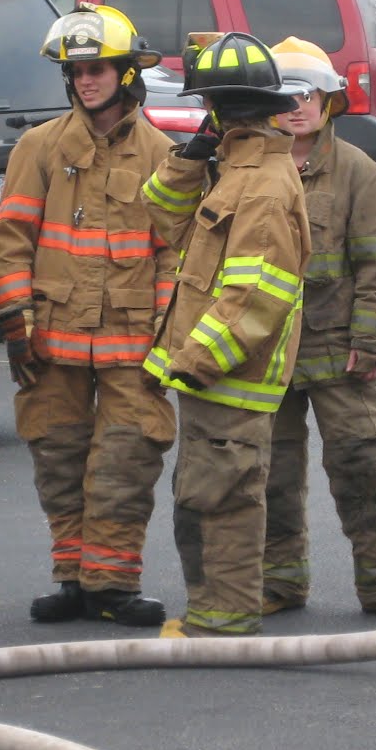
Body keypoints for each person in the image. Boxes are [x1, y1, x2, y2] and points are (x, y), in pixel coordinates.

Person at [0, 5, 177, 627]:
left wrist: (167, 339)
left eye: (97, 68)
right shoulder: (39, 148)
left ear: (125, 73)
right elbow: (11, 237)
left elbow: (177, 255)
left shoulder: (162, 156)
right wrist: (17, 321)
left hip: (132, 346)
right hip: (54, 341)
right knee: (59, 461)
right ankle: (71, 578)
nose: (85, 80)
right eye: (76, 70)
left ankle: (113, 585)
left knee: (125, 465)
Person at [260, 37, 376, 619]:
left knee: (368, 463)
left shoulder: (357, 171)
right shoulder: (245, 167)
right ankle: (277, 582)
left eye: (309, 95)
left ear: (329, 101)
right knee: (268, 471)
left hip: (337, 348)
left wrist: (370, 341)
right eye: (286, 95)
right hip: (263, 349)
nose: (298, 107)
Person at [140, 32, 310, 639]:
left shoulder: (262, 183)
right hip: (212, 376)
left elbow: (257, 296)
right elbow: (160, 210)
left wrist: (196, 360)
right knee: (201, 497)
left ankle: (224, 618)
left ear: (217, 105)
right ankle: (215, 608)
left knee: (224, 501)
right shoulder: (231, 170)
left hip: (230, 379)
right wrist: (193, 153)